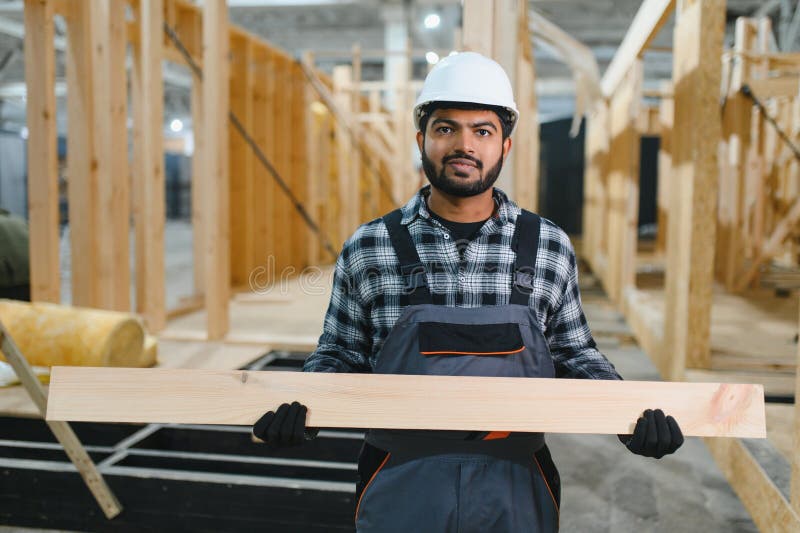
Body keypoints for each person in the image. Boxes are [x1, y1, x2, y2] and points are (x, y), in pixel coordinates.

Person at [253, 51, 683, 532]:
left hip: (515, 483)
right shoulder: (370, 246)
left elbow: (574, 352)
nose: (464, 145)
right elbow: (341, 352)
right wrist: (300, 406)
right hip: (400, 480)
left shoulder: (546, 245)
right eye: (445, 129)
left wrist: (627, 415)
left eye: (482, 131)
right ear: (421, 140)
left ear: (506, 145)